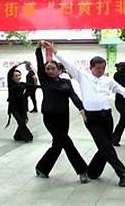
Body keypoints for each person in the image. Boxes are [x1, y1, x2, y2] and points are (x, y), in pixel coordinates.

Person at [45, 41, 125, 187]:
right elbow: (67, 63)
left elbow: (123, 91)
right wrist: (55, 51)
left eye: (103, 68)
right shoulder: (82, 76)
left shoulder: (108, 80)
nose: (100, 70)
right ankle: (122, 172)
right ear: (91, 68)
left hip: (107, 116)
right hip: (92, 118)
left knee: (106, 145)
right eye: (98, 68)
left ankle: (93, 171)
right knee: (105, 145)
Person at [35, 41, 89, 183]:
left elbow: (74, 97)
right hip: (50, 118)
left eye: (53, 68)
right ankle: (82, 170)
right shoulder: (45, 81)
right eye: (48, 69)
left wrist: (82, 109)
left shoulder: (66, 82)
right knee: (67, 143)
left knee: (58, 144)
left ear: (59, 70)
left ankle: (42, 167)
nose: (50, 71)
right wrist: (39, 48)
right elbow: (40, 63)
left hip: (64, 118)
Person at [5, 61, 35, 142]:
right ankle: (28, 137)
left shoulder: (22, 84)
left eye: (19, 75)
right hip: (13, 108)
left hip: (22, 107)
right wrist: (20, 63)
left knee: (23, 121)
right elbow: (10, 72)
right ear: (12, 77)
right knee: (21, 121)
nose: (18, 77)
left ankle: (17, 136)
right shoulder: (11, 84)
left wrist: (45, 87)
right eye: (16, 76)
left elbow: (34, 86)